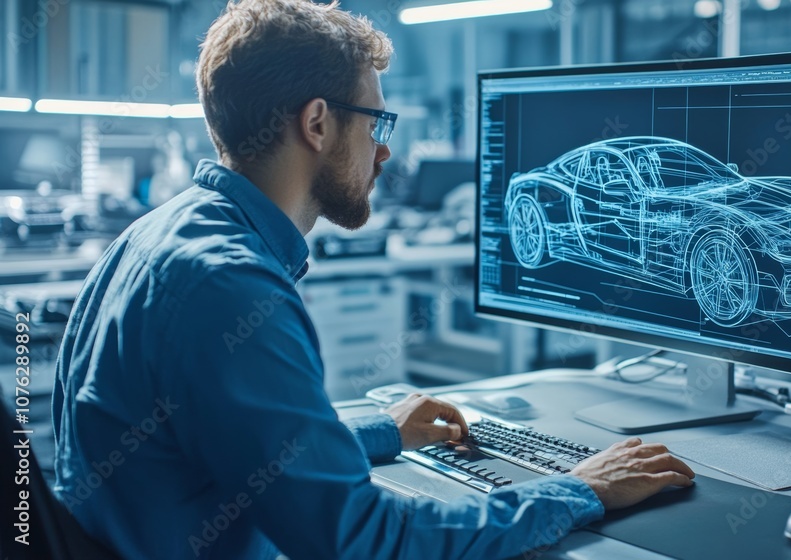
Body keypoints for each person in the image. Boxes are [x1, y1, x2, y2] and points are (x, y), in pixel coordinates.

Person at [50, 1, 695, 558]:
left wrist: (381, 432)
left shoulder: (158, 234)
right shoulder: (232, 288)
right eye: (376, 123)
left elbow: (236, 455)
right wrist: (578, 490)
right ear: (318, 123)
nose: (385, 149)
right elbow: (362, 542)